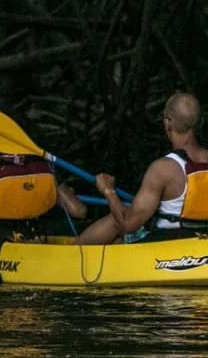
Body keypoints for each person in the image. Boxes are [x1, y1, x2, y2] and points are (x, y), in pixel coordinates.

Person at [76, 92, 207, 244]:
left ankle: (69, 256)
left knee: (115, 221)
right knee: (119, 238)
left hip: (169, 243)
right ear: (199, 123)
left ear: (167, 122)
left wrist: (108, 191)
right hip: (201, 242)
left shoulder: (163, 169)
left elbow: (127, 225)